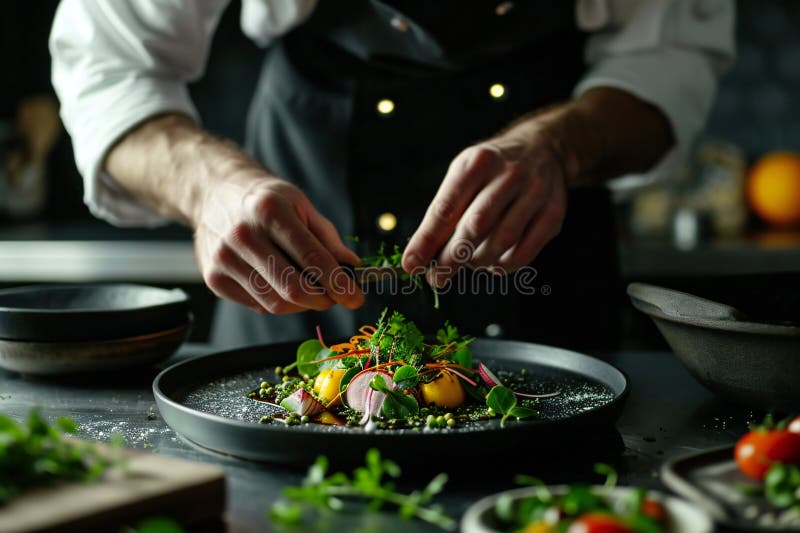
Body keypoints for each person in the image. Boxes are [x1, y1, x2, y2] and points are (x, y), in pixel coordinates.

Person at [50, 0, 734, 350]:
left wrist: (560, 146)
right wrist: (210, 187)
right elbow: (107, 66)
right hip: (288, 308)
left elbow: (672, 57)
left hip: (557, 304)